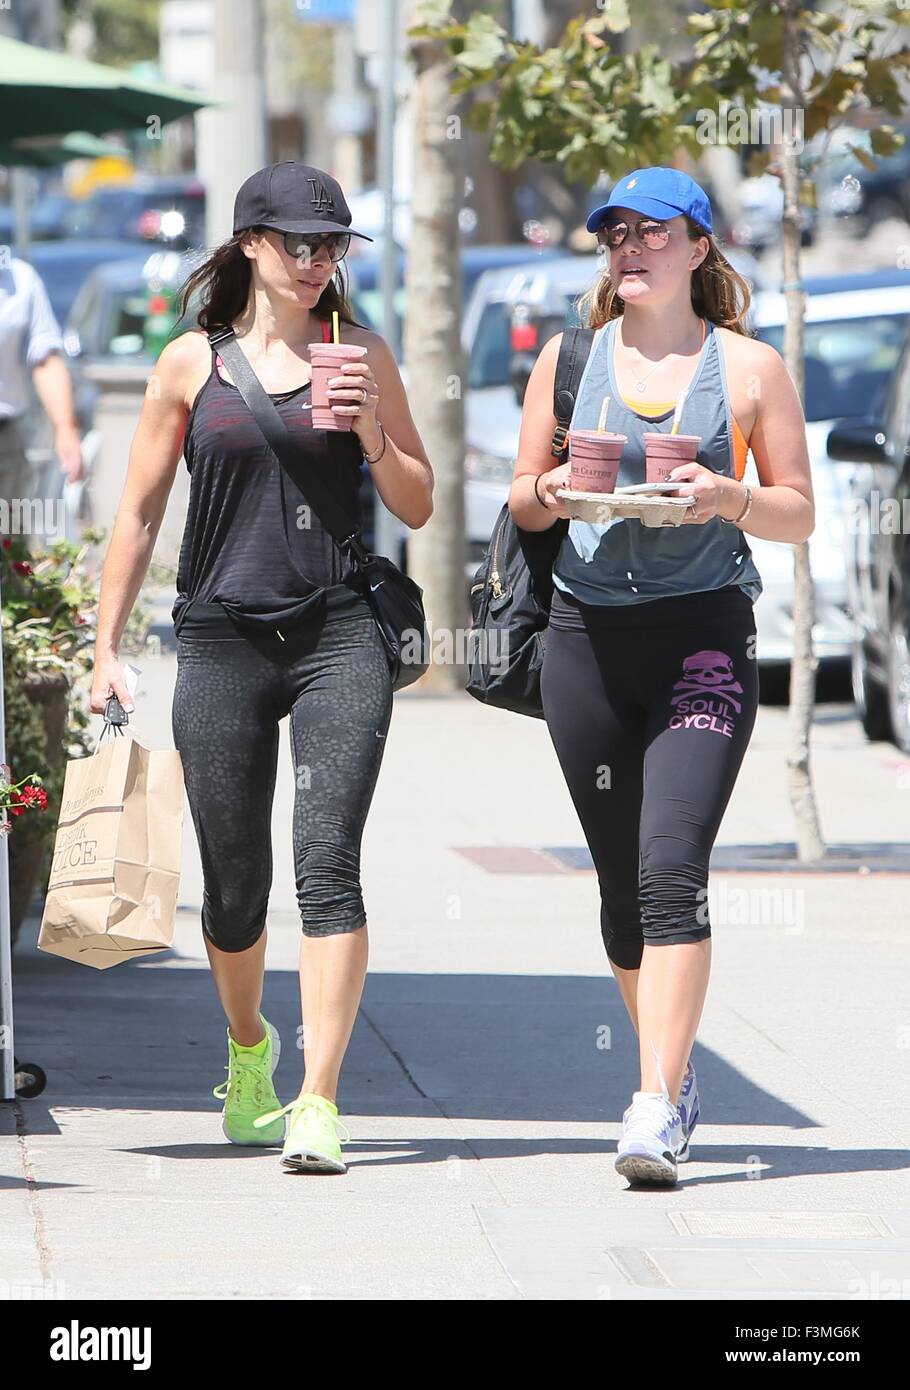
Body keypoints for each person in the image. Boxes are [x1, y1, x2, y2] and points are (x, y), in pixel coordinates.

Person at [89, 162, 433, 1174]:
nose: (318, 261)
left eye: (332, 244)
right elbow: (141, 512)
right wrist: (106, 647)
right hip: (221, 635)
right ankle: (251, 1048)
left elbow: (416, 503)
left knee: (328, 861)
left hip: (340, 634)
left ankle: (320, 1099)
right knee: (234, 884)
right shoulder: (188, 366)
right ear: (249, 245)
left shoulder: (364, 350)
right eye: (298, 242)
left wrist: (370, 424)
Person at [509, 167, 814, 1185]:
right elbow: (521, 502)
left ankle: (650, 1103)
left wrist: (730, 495)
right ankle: (672, 1074)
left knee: (668, 865)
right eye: (613, 235)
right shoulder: (569, 358)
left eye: (651, 232)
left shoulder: (750, 370)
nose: (627, 249)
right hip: (584, 638)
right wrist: (550, 488)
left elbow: (797, 510)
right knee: (618, 890)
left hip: (702, 640)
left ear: (699, 249)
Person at [0, 252, 83, 539]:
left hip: (5, 442)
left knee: (9, 553)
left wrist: (65, 428)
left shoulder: (20, 278)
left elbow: (45, 358)